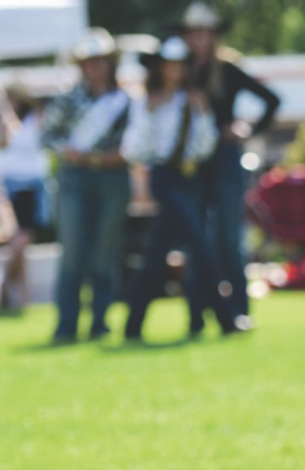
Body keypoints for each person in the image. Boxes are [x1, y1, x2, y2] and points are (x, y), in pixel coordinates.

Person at [121, 37, 241, 340]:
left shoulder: (195, 100)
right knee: (200, 245)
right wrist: (149, 113)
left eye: (179, 65)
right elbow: (135, 149)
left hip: (191, 179)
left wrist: (200, 113)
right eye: (169, 65)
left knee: (156, 251)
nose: (174, 71)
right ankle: (226, 320)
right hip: (164, 177)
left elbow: (205, 146)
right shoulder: (146, 102)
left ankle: (133, 325)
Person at [182, 1, 280, 325]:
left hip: (224, 159)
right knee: (196, 238)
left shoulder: (227, 69)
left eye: (203, 33)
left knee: (228, 238)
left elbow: (271, 100)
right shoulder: (178, 71)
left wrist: (247, 129)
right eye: (193, 33)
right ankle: (197, 315)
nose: (198, 39)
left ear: (212, 36)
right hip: (191, 164)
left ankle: (239, 311)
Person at [40, 27, 131, 342]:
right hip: (75, 178)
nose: (95, 66)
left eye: (101, 60)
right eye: (89, 61)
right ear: (81, 65)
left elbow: (136, 143)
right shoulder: (67, 100)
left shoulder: (125, 101)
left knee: (105, 252)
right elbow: (48, 137)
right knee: (73, 252)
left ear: (110, 63)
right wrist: (72, 152)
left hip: (113, 179)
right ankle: (66, 325)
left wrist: (113, 158)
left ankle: (100, 322)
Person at [0, 84, 50, 311]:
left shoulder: (37, 119)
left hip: (31, 185)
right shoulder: (8, 122)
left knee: (22, 240)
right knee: (16, 241)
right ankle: (20, 298)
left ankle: (8, 291)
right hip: (9, 184)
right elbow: (6, 140)